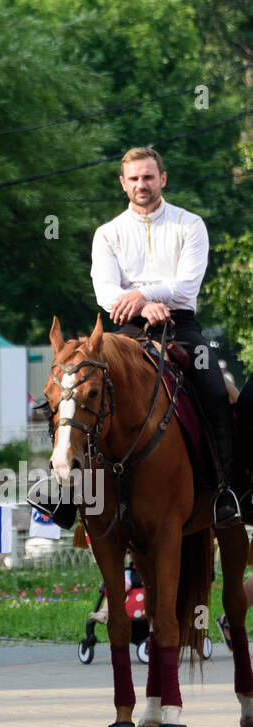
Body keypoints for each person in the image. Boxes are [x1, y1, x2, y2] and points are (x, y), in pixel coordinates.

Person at [91, 146, 240, 524]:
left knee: (215, 391)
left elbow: (187, 286)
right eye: (135, 178)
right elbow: (106, 293)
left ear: (163, 179)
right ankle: (70, 493)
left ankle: (229, 492)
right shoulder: (107, 233)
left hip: (181, 328)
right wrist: (142, 307)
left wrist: (143, 293)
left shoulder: (190, 224)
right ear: (123, 184)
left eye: (149, 177)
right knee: (78, 389)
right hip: (126, 331)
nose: (143, 184)